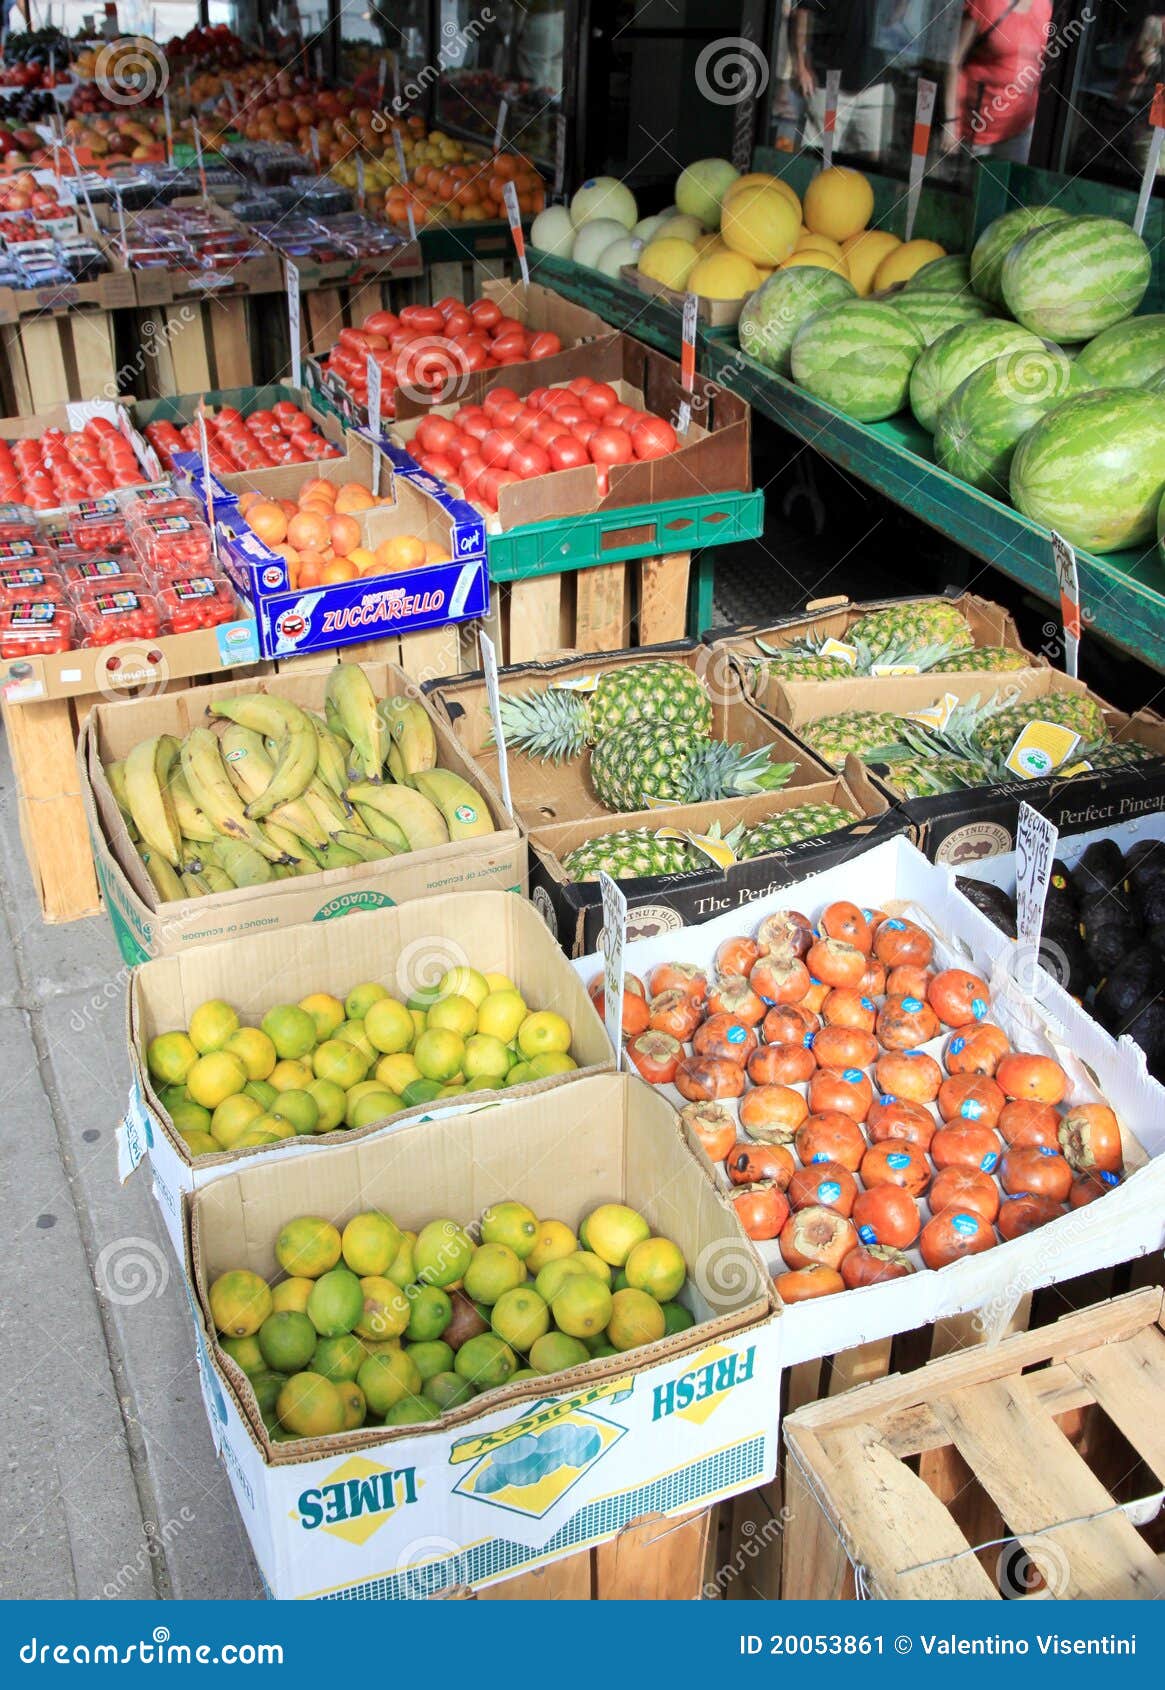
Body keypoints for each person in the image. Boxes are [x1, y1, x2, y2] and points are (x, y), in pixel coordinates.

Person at [941, 0, 1053, 161]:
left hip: (1020, 128)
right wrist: (950, 122)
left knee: (1008, 184)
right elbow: (953, 61)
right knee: (975, 184)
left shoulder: (1044, 8)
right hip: (977, 128)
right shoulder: (986, 3)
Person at [789, 1, 898, 161]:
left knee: (875, 160)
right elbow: (804, 11)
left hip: (874, 80)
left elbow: (892, 18)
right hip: (829, 80)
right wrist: (801, 67)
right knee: (818, 158)